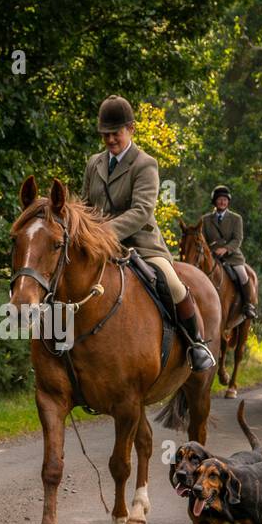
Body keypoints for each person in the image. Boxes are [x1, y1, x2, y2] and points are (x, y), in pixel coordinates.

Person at [81, 95, 215, 372]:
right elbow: (84, 206)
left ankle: (196, 344)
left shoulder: (145, 164)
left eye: (115, 133)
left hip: (141, 245)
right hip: (97, 244)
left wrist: (104, 232)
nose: (109, 140)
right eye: (105, 134)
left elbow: (141, 211)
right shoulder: (94, 163)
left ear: (131, 128)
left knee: (172, 283)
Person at [202, 185, 257, 319]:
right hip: (212, 256)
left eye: (225, 200)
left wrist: (226, 249)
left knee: (243, 275)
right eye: (220, 199)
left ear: (228, 202)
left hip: (232, 256)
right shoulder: (206, 219)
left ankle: (248, 304)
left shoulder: (236, 218)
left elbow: (238, 239)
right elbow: (202, 239)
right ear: (215, 201)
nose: (222, 202)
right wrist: (211, 250)